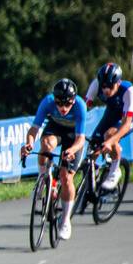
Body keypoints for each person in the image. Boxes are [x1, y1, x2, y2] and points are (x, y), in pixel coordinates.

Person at [20, 78, 87, 240]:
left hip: (73, 137)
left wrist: (72, 150)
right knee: (46, 145)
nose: (63, 108)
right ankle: (43, 177)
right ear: (54, 99)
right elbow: (34, 129)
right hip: (55, 128)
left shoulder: (80, 106)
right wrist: (28, 144)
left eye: (67, 104)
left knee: (66, 177)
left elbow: (81, 139)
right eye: (60, 104)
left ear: (73, 101)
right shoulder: (48, 101)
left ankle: (65, 221)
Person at [84, 61, 133, 190]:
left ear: (118, 82)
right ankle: (94, 176)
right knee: (93, 147)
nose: (105, 90)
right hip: (112, 112)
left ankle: (115, 170)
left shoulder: (128, 91)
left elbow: (126, 124)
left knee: (110, 135)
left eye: (109, 86)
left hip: (130, 116)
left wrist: (110, 141)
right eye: (103, 86)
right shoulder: (96, 85)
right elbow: (83, 108)